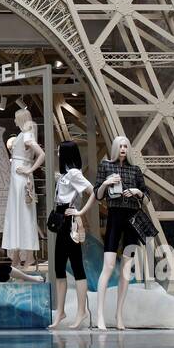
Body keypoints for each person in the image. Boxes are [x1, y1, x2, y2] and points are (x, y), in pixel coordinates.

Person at [94, 135, 147, 331]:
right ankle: (99, 314)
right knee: (107, 266)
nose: (123, 148)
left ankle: (119, 315)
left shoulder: (135, 170)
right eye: (120, 145)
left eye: (126, 145)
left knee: (126, 268)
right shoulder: (106, 166)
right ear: (116, 148)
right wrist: (107, 183)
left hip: (132, 219)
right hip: (114, 218)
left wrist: (137, 192)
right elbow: (97, 195)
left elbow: (147, 197)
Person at [50, 141, 95, 330]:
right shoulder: (66, 175)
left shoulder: (75, 174)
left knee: (76, 266)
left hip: (70, 222)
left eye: (60, 150)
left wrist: (80, 212)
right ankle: (61, 311)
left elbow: (93, 191)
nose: (58, 152)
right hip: (61, 221)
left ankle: (81, 311)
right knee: (59, 268)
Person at [2, 106, 44, 274]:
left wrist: (29, 169)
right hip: (17, 180)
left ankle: (28, 256)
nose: (13, 121)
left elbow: (42, 154)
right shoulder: (24, 134)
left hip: (21, 180)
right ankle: (18, 256)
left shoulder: (26, 134)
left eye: (15, 118)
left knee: (23, 216)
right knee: (18, 216)